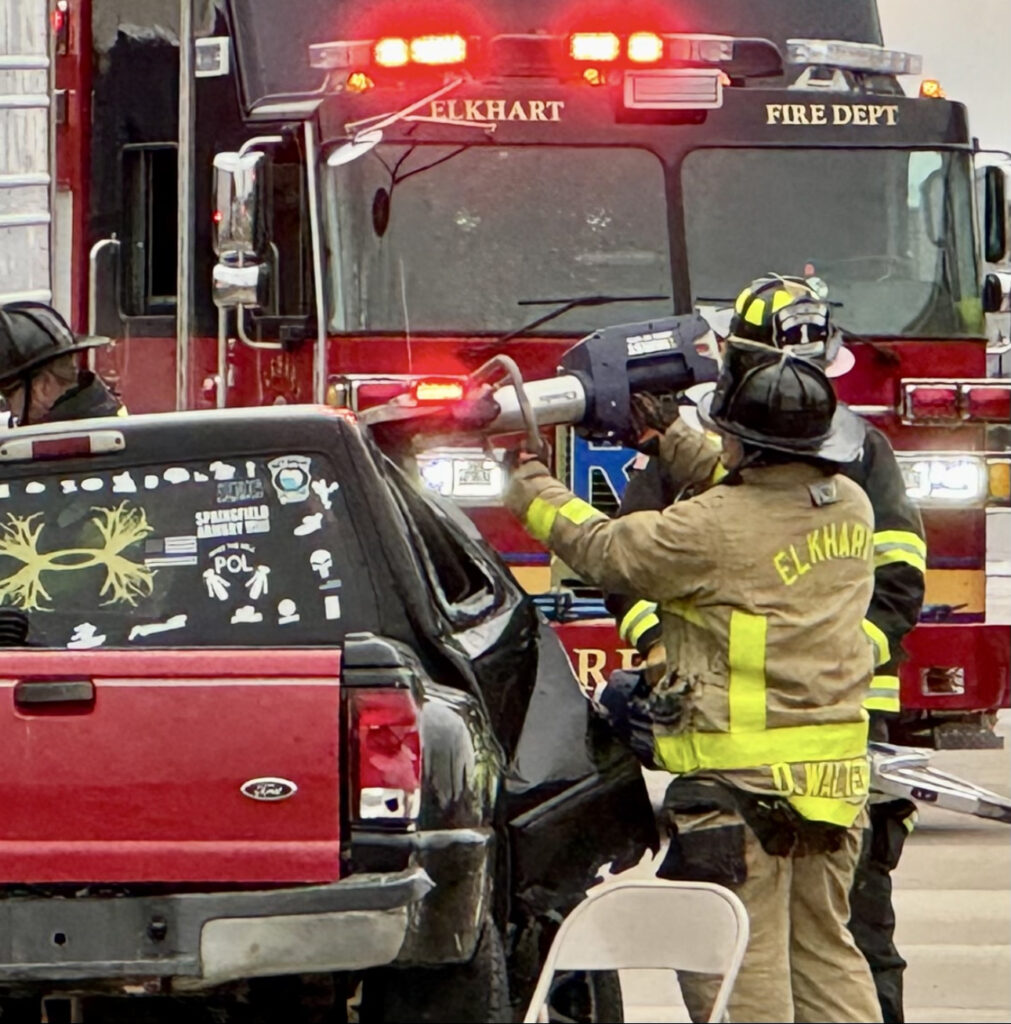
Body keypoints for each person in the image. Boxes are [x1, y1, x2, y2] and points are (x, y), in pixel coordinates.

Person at [505, 347, 882, 1023]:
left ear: (743, 441)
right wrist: (670, 435)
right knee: (826, 953)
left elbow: (604, 550)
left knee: (738, 967)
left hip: (740, 790)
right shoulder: (846, 505)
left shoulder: (707, 531)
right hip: (834, 785)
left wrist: (527, 481)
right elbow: (743, 485)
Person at [607, 274, 923, 1022]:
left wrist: (833, 656)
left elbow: (899, 578)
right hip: (765, 739)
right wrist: (656, 644)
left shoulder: (857, 455)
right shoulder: (722, 459)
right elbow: (630, 574)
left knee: (828, 940)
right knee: (822, 943)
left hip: (828, 736)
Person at [0, 302, 124, 426]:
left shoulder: (53, 441)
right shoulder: (108, 418)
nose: (11, 410)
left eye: (7, 394)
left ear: (43, 387)